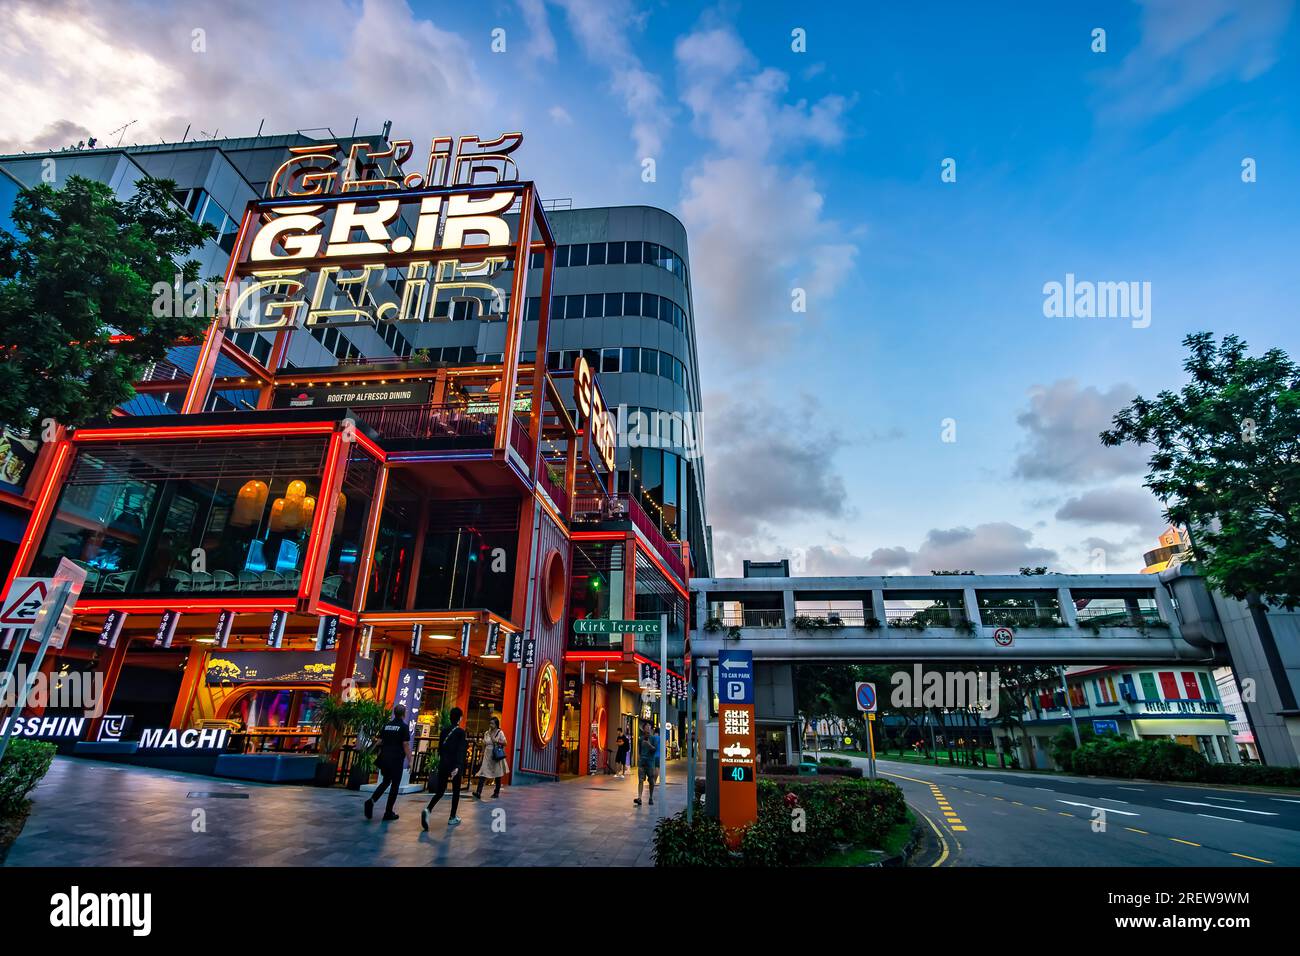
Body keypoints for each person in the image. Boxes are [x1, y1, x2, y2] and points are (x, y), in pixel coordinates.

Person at [364, 703, 410, 822]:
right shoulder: (404, 727)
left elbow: (379, 741)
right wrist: (411, 760)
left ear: (394, 713)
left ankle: (372, 800)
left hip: (385, 758)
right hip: (396, 760)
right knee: (395, 785)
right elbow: (405, 745)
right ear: (404, 714)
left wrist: (370, 752)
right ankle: (388, 812)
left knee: (385, 782)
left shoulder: (387, 726)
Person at [423, 707, 467, 830]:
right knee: (456, 791)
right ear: (459, 718)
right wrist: (458, 766)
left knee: (440, 791)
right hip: (454, 766)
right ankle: (452, 817)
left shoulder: (444, 731)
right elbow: (461, 750)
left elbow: (440, 749)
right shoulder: (460, 732)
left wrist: (443, 761)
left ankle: (428, 809)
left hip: (443, 763)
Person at [472, 716, 508, 799]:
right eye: (490, 723)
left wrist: (496, 740)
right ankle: (478, 792)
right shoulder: (486, 733)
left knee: (497, 773)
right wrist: (481, 756)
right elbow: (484, 745)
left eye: (492, 723)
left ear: (496, 724)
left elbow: (505, 743)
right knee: (483, 772)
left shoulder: (500, 732)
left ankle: (496, 792)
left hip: (495, 755)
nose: (490, 725)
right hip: (487, 755)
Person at [634, 718, 659, 807]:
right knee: (640, 780)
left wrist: (648, 745)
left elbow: (654, 749)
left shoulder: (653, 738)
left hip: (650, 762)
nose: (648, 728)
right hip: (642, 762)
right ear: (643, 729)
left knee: (651, 781)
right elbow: (639, 749)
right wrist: (638, 757)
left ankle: (651, 797)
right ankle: (639, 798)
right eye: (646, 727)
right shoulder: (640, 738)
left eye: (649, 727)